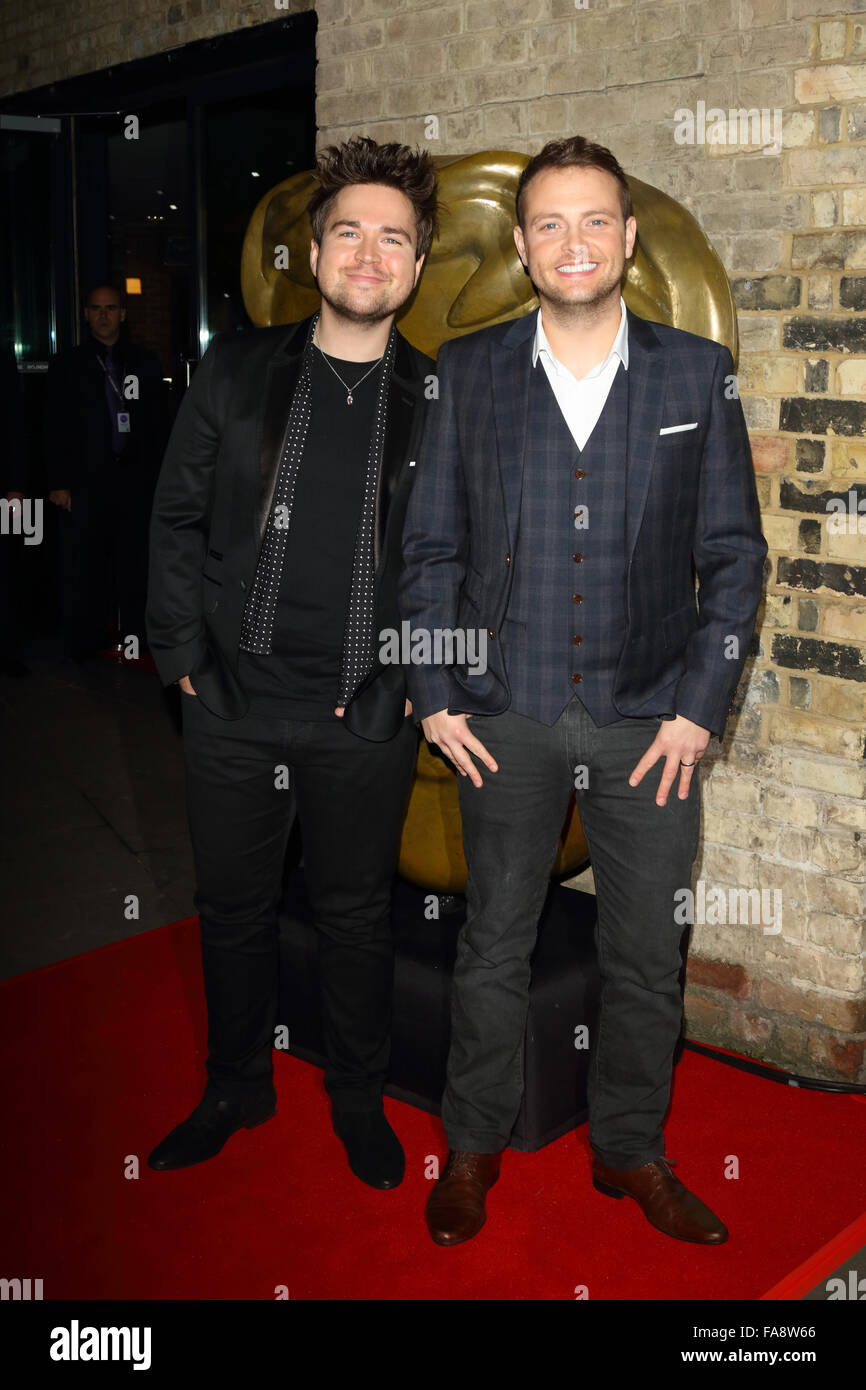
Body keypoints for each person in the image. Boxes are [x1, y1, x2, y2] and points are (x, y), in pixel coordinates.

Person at [399, 136, 767, 1246]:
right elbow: (429, 551)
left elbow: (734, 557)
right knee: (493, 939)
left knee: (646, 952)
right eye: (549, 223)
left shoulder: (691, 374)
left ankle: (629, 1151)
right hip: (500, 710)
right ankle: (470, 1146)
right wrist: (433, 688)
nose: (572, 242)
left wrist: (700, 704)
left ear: (626, 236)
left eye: (593, 220)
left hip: (648, 718)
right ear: (519, 245)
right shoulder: (464, 373)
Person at [146, 137, 438, 1188]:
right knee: (230, 910)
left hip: (360, 713)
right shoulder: (235, 369)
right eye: (347, 232)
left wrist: (402, 686)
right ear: (313, 256)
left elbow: (452, 566)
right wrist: (179, 656)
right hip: (227, 701)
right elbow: (176, 517)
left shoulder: (439, 402)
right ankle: (235, 1085)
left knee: (358, 916)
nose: (368, 254)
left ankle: (356, 1098)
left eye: (391, 237)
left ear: (414, 265)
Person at [45, 286, 166, 660]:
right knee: (86, 566)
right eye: (96, 309)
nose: (103, 315)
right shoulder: (68, 364)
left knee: (134, 564)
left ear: (123, 314)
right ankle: (84, 643)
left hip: (134, 481)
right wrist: (58, 484)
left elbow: (159, 424)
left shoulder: (144, 362)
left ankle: (135, 642)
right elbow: (54, 426)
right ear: (86, 314)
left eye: (111, 308)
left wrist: (162, 480)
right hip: (86, 481)